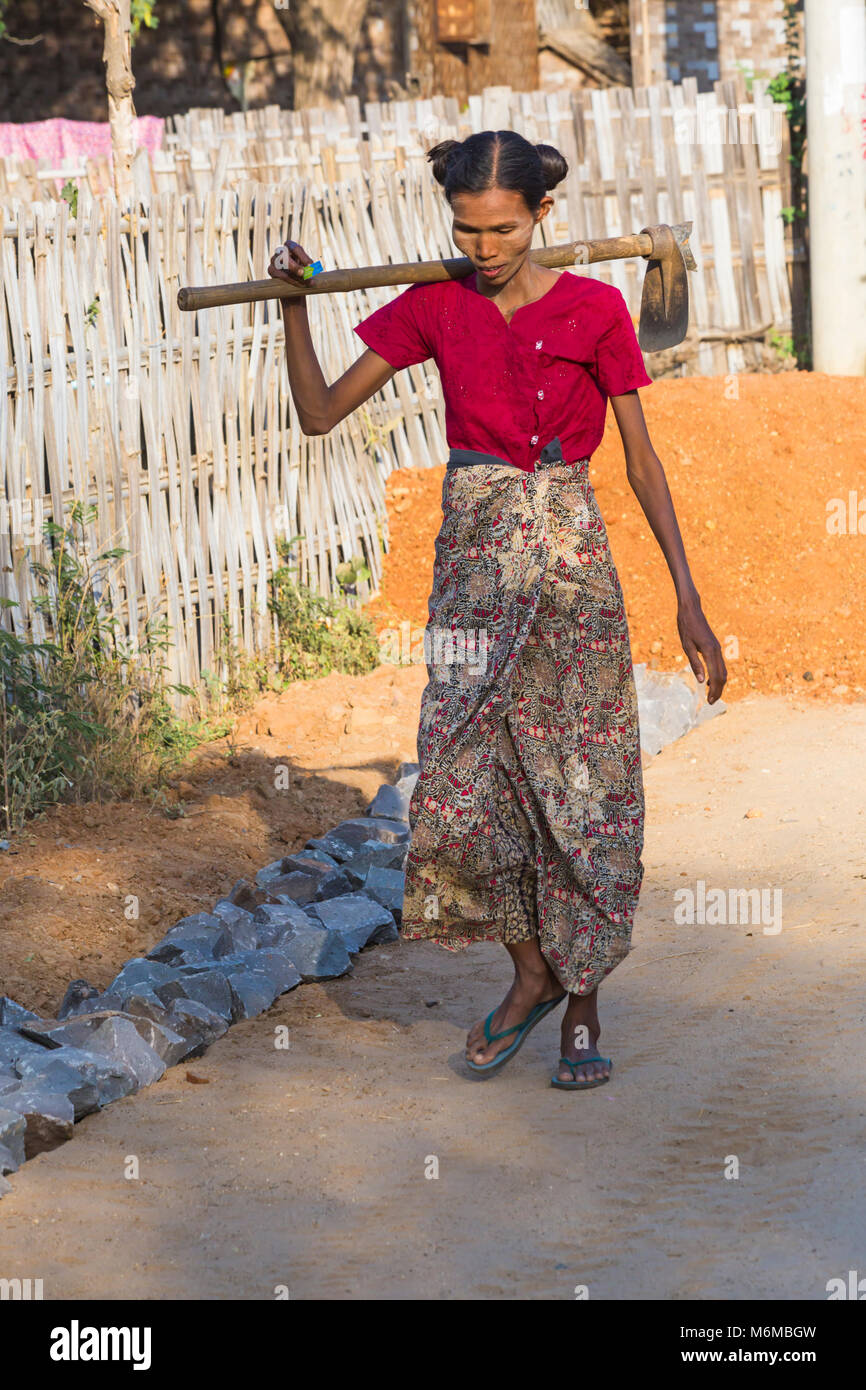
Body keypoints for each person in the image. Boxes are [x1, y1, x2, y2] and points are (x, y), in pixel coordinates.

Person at [268, 129, 727, 1091]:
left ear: (542, 216)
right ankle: (531, 975)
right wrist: (293, 309)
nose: (485, 249)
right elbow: (318, 414)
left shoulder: (598, 309)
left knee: (583, 779)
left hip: (570, 559)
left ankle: (582, 1006)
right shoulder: (435, 305)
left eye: (504, 229)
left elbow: (641, 461)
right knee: (465, 783)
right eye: (468, 230)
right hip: (475, 556)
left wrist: (687, 594)